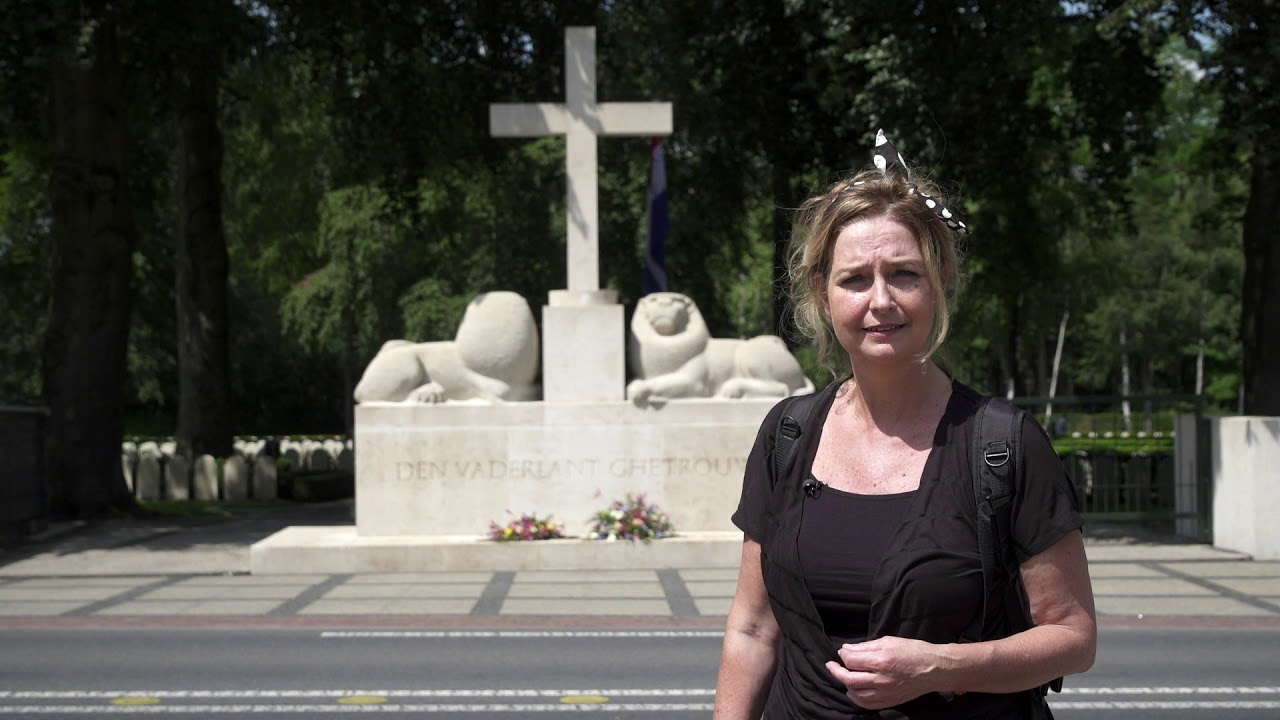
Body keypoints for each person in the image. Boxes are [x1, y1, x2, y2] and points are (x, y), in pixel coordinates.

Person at [713, 131, 1096, 719]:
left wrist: (942, 666)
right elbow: (753, 627)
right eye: (855, 279)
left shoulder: (1003, 444)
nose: (881, 300)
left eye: (904, 274)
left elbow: (1072, 636)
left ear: (938, 279)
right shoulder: (787, 434)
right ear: (823, 291)